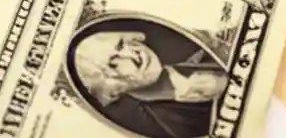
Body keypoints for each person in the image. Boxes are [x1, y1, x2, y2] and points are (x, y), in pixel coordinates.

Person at [72, 29, 227, 138]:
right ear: (112, 93)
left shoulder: (204, 50)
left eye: (121, 45)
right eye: (113, 64)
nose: (131, 55)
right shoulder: (174, 125)